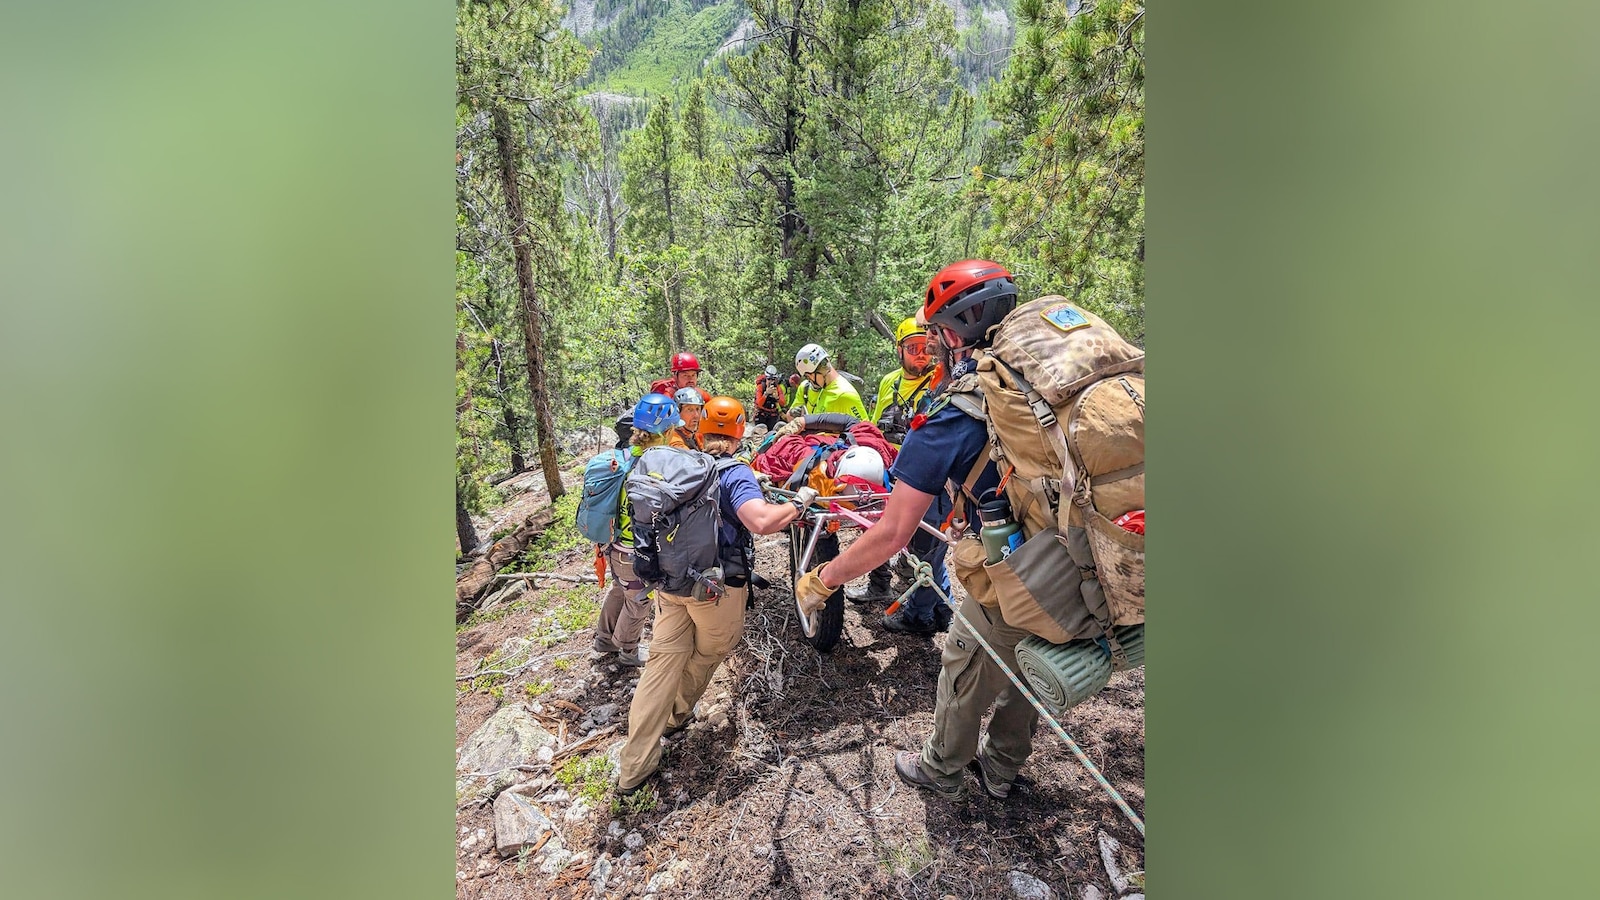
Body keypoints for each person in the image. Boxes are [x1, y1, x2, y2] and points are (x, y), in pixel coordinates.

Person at [795, 259, 1034, 800]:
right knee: (1030, 661)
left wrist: (823, 579)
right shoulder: (1031, 388)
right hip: (1061, 548)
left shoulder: (952, 414)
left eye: (933, 336)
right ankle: (1001, 769)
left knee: (967, 656)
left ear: (951, 334)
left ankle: (942, 770)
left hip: (1007, 565)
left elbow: (889, 534)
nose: (929, 347)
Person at [617, 397, 818, 795]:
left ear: (700, 427)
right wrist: (799, 503)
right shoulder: (734, 471)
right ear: (740, 432)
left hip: (670, 584)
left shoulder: (686, 464)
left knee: (660, 664)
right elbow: (761, 521)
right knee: (712, 649)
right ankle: (676, 714)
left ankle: (634, 766)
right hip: (716, 588)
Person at [847, 316, 945, 611]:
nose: (920, 354)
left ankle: (912, 577)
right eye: (912, 347)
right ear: (899, 350)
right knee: (873, 522)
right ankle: (879, 582)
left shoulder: (940, 379)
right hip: (889, 464)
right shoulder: (890, 382)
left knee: (922, 536)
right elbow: (876, 426)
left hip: (923, 470)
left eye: (925, 347)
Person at [594, 393, 681, 667]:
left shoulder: (626, 456)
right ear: (667, 431)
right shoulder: (655, 465)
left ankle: (604, 639)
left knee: (620, 590)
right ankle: (628, 651)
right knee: (639, 601)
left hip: (615, 545)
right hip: (636, 552)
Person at [790, 343, 869, 420]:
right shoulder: (824, 389)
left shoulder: (845, 395)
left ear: (812, 374)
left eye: (807, 377)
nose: (810, 381)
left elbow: (865, 430)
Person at [752, 365, 788, 430]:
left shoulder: (778, 388)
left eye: (773, 379)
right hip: (761, 414)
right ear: (766, 378)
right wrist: (766, 394)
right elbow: (759, 403)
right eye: (769, 379)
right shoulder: (760, 387)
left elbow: (783, 403)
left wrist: (777, 398)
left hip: (772, 415)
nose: (771, 381)